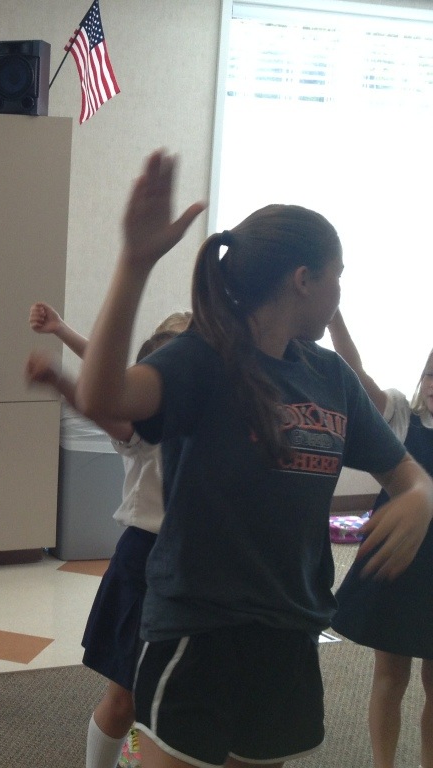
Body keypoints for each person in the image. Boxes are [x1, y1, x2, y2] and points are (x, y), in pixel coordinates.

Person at [73, 150, 433, 768]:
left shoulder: (330, 377)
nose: (340, 292)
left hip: (290, 632)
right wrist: (134, 263)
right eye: (338, 275)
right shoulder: (203, 358)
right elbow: (102, 396)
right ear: (303, 279)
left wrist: (420, 497)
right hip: (198, 629)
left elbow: (407, 473)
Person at [28, 302, 190, 768]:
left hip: (196, 566)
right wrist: (60, 378)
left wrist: (62, 329)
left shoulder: (211, 424)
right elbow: (105, 395)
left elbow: (111, 373)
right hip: (145, 562)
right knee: (125, 699)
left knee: (179, 695)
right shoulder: (143, 428)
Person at [326, 309, 433, 768]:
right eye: (430, 373)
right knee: (390, 675)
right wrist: (334, 320)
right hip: (399, 561)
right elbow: (355, 373)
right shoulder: (403, 416)